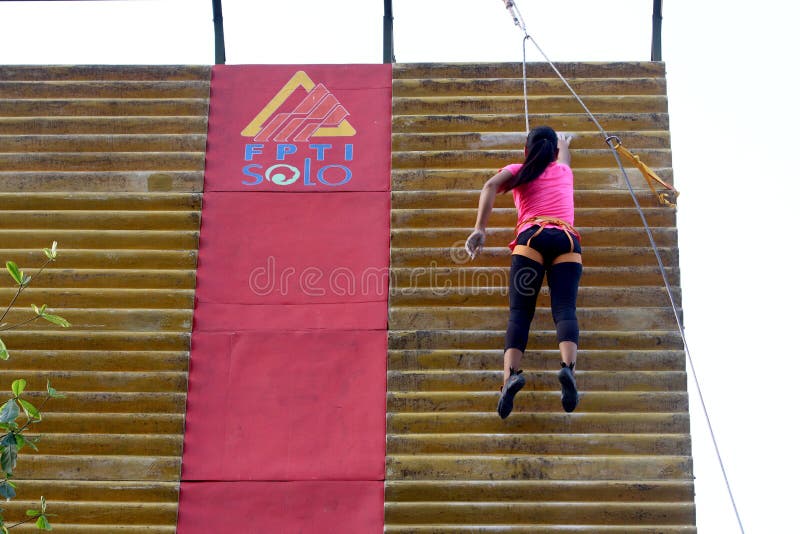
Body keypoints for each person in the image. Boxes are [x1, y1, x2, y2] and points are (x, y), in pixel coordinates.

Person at [465, 125, 582, 418]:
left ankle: (511, 378)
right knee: (565, 309)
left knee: (520, 314)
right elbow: (564, 154)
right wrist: (565, 140)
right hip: (567, 240)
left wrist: (480, 228)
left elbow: (489, 186)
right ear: (555, 152)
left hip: (531, 238)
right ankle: (568, 369)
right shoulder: (564, 172)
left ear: (526, 150)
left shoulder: (520, 170)